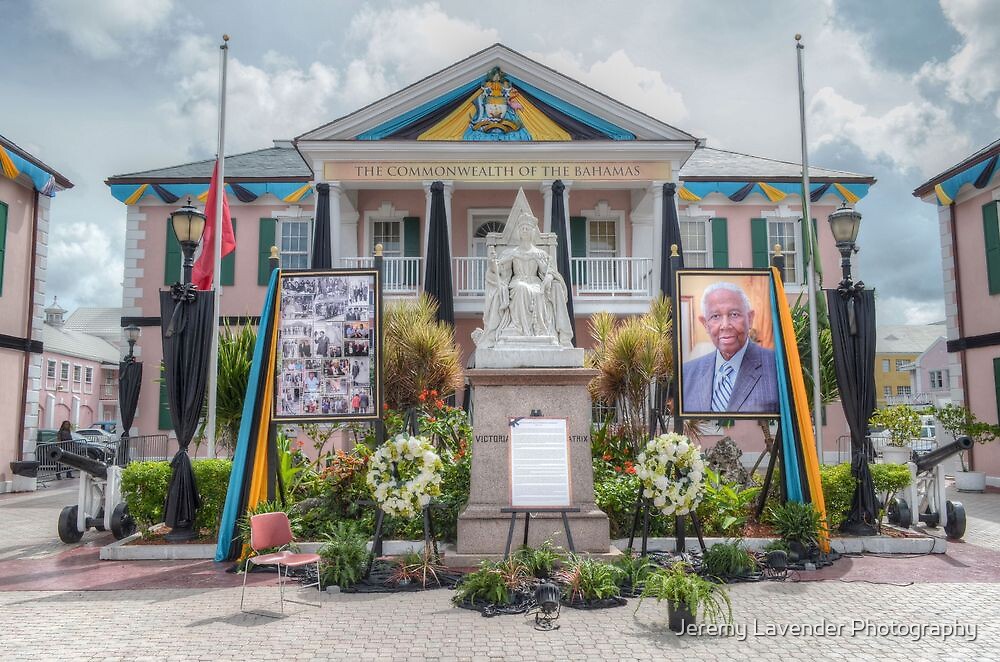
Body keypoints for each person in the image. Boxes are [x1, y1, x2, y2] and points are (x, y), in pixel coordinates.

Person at [681, 281, 779, 414]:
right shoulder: (687, 374)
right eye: (715, 316)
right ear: (705, 324)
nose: (725, 325)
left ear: (750, 319)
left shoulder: (776, 366)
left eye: (734, 314)